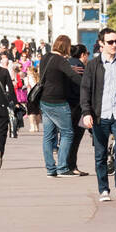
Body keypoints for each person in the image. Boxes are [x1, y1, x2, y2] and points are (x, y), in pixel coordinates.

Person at [79, 29, 116, 202]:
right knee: (100, 154)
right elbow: (85, 90)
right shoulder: (93, 65)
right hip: (100, 115)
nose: (114, 45)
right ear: (101, 44)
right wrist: (86, 112)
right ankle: (103, 189)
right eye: (110, 42)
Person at [37, 35, 78, 177]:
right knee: (67, 133)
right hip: (58, 101)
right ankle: (62, 167)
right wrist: (87, 84)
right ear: (66, 47)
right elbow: (73, 77)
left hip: (44, 100)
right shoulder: (61, 60)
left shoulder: (45, 57)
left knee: (48, 136)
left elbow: (51, 74)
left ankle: (50, 169)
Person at [65, 43, 89, 174]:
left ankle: (65, 165)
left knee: (67, 136)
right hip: (78, 106)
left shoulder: (66, 63)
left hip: (65, 104)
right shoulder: (80, 67)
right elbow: (85, 87)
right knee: (75, 137)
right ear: (83, 55)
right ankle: (71, 166)